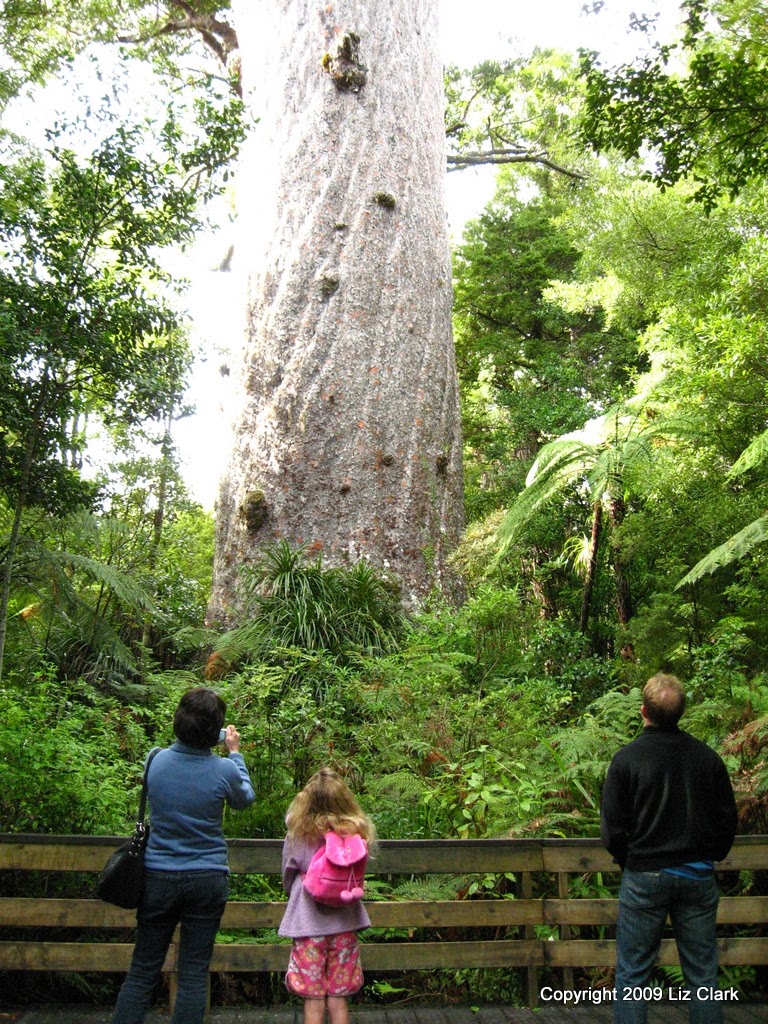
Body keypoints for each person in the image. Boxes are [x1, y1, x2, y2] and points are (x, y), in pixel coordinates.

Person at [601, 673, 738, 1024]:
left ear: (643, 710)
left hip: (645, 876)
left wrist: (629, 859)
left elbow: (612, 829)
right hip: (697, 875)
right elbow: (727, 820)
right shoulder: (707, 759)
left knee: (632, 976)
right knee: (703, 978)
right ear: (681, 713)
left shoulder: (626, 760)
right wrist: (712, 856)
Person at [112, 687, 255, 1024]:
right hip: (207, 878)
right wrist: (235, 753)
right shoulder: (224, 770)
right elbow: (244, 799)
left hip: (158, 876)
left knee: (143, 970)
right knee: (193, 973)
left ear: (178, 722)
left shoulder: (155, 759)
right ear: (215, 730)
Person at [279, 768, 377, 1024]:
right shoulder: (355, 835)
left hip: (308, 926)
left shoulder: (299, 834)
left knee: (313, 997)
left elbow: (288, 876)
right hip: (345, 924)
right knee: (338, 995)